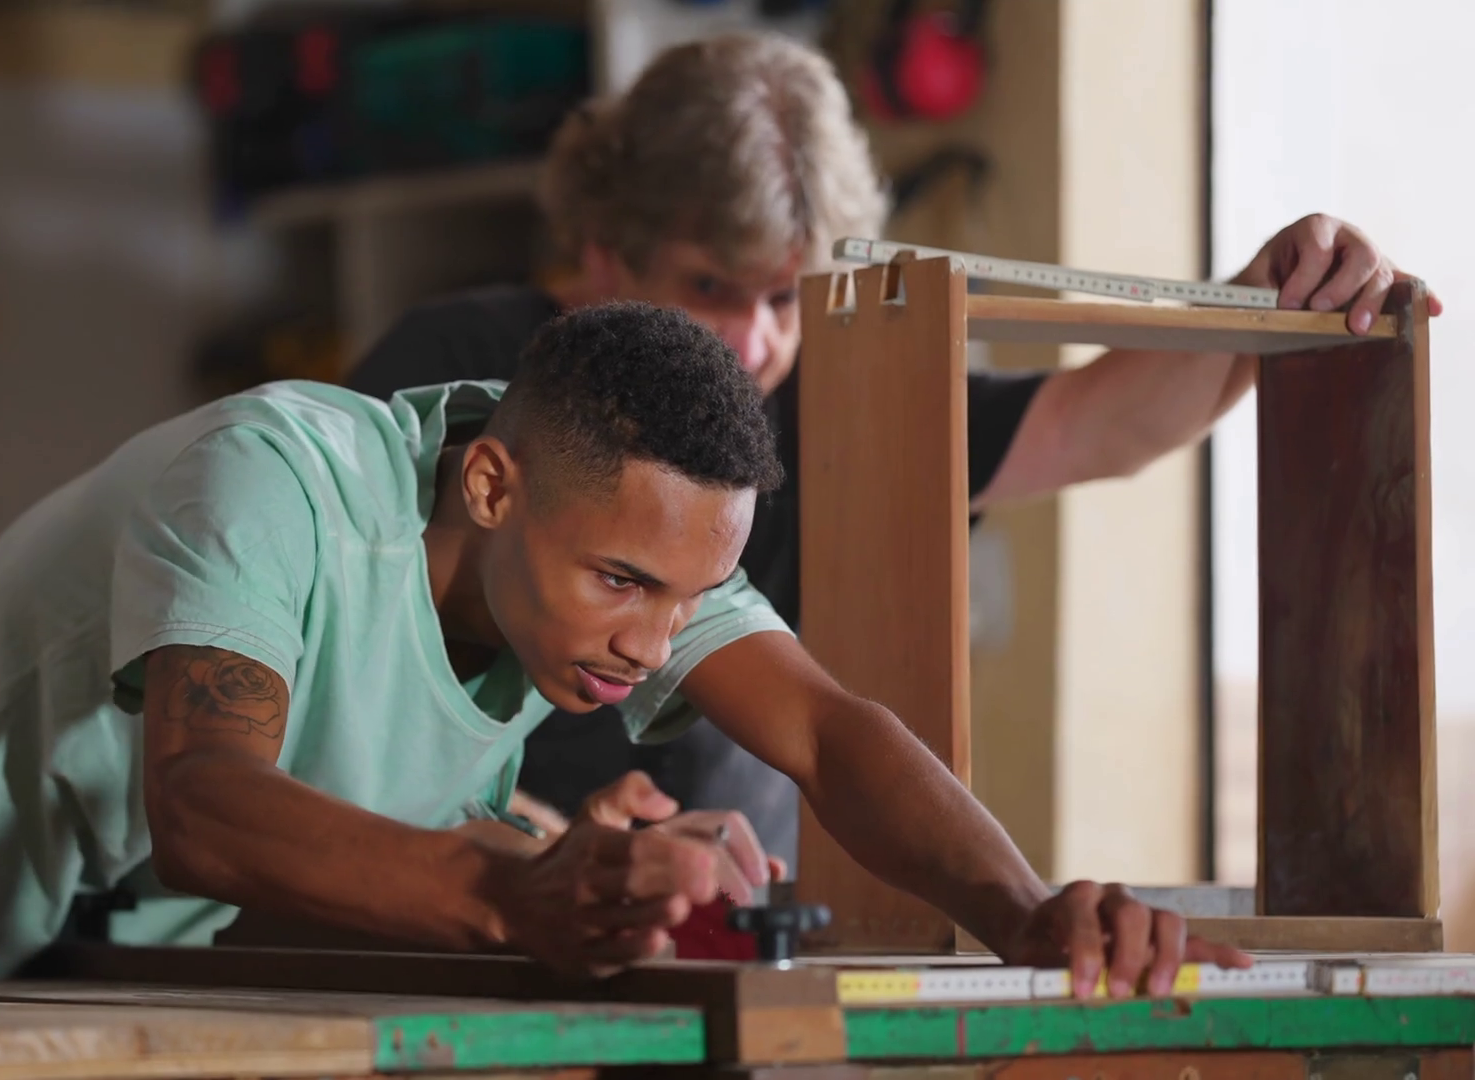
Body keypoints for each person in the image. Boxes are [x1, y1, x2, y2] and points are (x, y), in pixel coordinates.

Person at [0, 301, 1244, 996]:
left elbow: (834, 732)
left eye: (682, 601)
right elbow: (199, 803)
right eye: (625, 586)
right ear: (494, 486)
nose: (647, 644)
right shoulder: (276, 477)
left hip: (113, 990)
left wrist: (1028, 907)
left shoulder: (621, 555)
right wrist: (517, 896)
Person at [345, 32, 1441, 867]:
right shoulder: (457, 365)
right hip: (471, 880)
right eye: (710, 288)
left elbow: (1090, 424)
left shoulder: (846, 402)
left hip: (733, 898)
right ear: (602, 249)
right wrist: (527, 846)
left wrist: (1272, 294)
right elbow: (341, 679)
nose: (756, 341)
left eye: (785, 295)